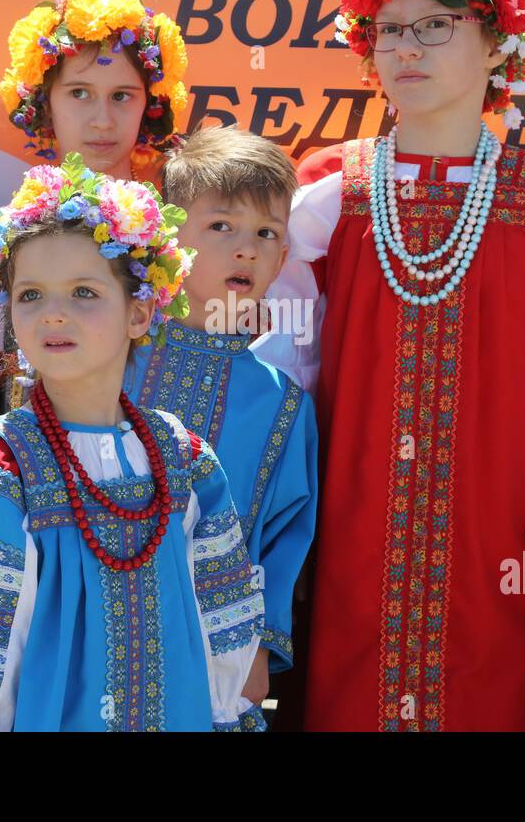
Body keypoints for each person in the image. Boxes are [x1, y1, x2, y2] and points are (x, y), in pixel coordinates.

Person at [253, 0, 525, 731]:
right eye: (389, 29)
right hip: (351, 523)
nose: (406, 48)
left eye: (436, 25)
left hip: (495, 530)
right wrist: (282, 521)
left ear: (499, 47)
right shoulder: (329, 192)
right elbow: (282, 371)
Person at [0, 156, 265, 731]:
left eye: (83, 292)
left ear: (140, 312)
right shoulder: (0, 465)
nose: (53, 314)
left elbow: (221, 617)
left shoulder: (183, 456)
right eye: (30, 296)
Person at [125, 126, 318, 710]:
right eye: (221, 227)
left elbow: (286, 538)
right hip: (87, 622)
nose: (247, 249)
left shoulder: (284, 402)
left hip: (217, 654)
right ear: (167, 237)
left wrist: (260, 646)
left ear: (283, 257)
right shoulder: (112, 353)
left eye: (266, 234)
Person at [0, 0, 189, 418]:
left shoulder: (178, 233)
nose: (101, 119)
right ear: (45, 101)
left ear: (149, 104)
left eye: (121, 96)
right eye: (79, 93)